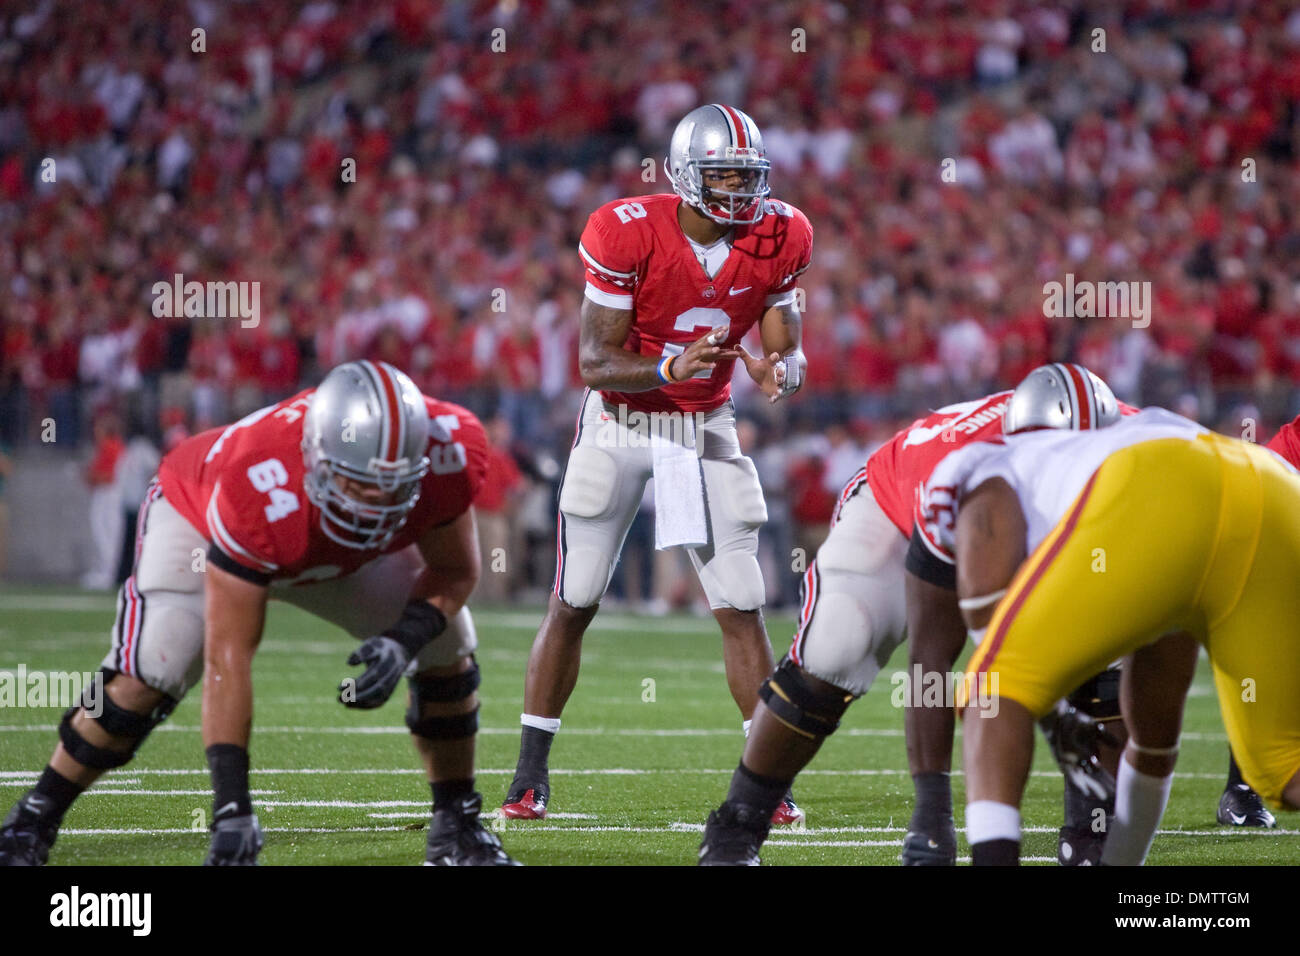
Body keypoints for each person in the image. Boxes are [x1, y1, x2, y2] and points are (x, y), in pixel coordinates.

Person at [0, 361, 517, 866]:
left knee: (444, 644)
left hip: (327, 547)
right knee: (154, 672)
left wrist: (404, 638)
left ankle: (457, 828)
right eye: (360, 486)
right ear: (317, 458)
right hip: (203, 521)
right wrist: (232, 810)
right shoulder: (259, 482)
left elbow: (453, 570)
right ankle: (33, 819)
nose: (377, 506)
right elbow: (229, 656)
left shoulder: (449, 446)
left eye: (395, 488)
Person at [502, 104, 813, 825]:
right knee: (575, 598)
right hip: (620, 419)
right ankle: (528, 775)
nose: (740, 191)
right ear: (684, 176)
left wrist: (783, 372)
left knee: (741, 601)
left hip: (704, 424)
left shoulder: (783, 232)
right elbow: (592, 360)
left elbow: (783, 340)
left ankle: (766, 787)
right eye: (723, 175)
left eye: (749, 176)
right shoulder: (626, 229)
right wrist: (669, 362)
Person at [697, 363, 1133, 865]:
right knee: (839, 645)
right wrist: (931, 812)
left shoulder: (1150, 461)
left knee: (1111, 658)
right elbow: (931, 657)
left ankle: (1092, 834)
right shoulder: (964, 479)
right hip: (893, 505)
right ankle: (736, 828)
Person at [934, 408, 1300, 864]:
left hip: (1158, 490)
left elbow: (981, 612)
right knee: (1278, 772)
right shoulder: (1130, 433)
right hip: (1278, 487)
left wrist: (1042, 703)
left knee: (994, 687)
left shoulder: (979, 462)